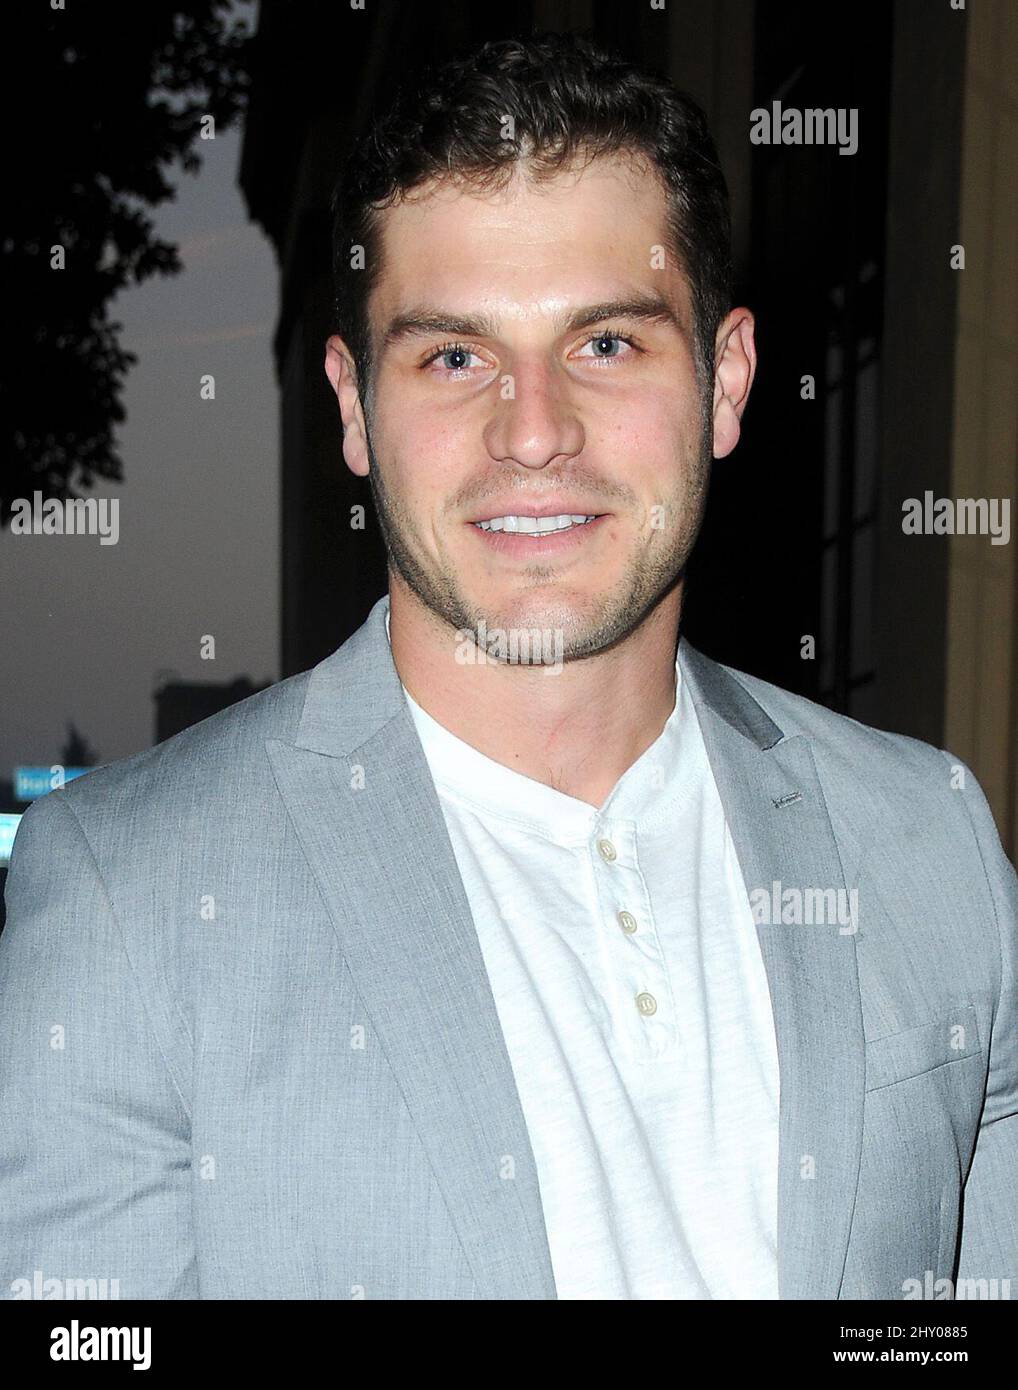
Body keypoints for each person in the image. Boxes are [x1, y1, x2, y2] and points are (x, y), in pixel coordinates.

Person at [2, 32, 1015, 1302]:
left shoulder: (931, 839)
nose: (532, 431)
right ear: (356, 409)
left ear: (726, 379)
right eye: (452, 356)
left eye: (606, 344)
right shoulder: (123, 899)